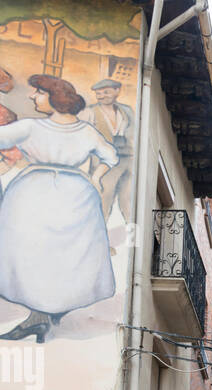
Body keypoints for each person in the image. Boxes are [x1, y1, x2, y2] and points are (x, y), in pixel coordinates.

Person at [0, 74, 118, 342]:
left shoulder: (31, 127)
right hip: (77, 195)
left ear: (53, 98)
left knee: (33, 253)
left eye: (38, 92)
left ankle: (40, 317)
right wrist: (96, 177)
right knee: (64, 257)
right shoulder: (87, 131)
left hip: (34, 193)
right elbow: (109, 156)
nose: (33, 97)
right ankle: (44, 316)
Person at [82, 77, 134, 221]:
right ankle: (99, 232)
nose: (102, 96)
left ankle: (130, 232)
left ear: (117, 91)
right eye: (99, 94)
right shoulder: (90, 112)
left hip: (127, 158)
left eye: (106, 92)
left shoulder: (126, 110)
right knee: (105, 197)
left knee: (128, 199)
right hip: (104, 162)